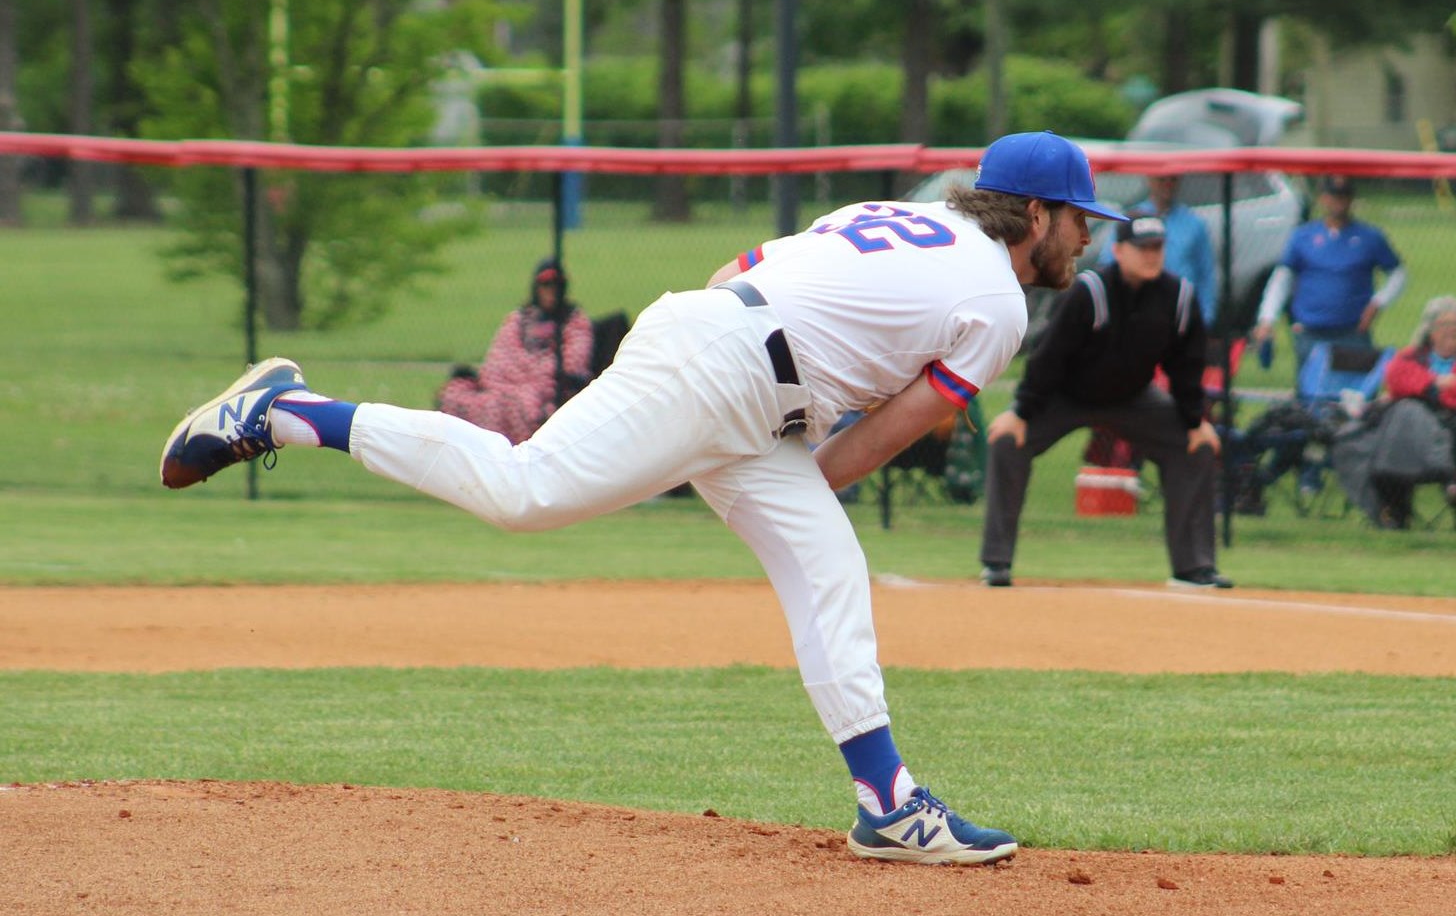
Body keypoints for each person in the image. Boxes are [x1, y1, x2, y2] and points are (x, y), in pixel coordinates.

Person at [157, 130, 1127, 866]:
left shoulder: (886, 215)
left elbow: (728, 273)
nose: (1088, 239)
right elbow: (889, 432)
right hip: (733, 381)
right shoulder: (999, 303)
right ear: (1034, 216)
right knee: (524, 490)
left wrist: (764, 450)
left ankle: (889, 803)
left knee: (831, 566)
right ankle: (286, 411)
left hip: (730, 360)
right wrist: (781, 460)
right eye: (1084, 219)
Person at [978, 214, 1232, 590]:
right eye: (1142, 248)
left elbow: (1186, 367)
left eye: (1157, 248)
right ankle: (996, 564)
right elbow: (1049, 356)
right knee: (1006, 440)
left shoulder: (1177, 297)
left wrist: (1195, 422)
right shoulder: (1091, 291)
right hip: (1067, 395)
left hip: (1132, 398)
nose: (1151, 255)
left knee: (1195, 447)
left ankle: (1194, 568)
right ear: (1118, 251)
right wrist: (1022, 412)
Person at [1252, 175, 1407, 377]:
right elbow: (1282, 279)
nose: (1338, 202)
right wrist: (1267, 319)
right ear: (1323, 198)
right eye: (1333, 196)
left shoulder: (1370, 237)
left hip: (1352, 331)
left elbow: (1398, 273)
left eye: (1344, 196)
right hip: (1311, 331)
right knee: (1311, 394)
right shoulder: (1303, 237)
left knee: (1353, 393)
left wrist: (1377, 303)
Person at [1376, 295, 1456, 532]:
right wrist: (1435, 385)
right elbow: (1396, 378)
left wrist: (1431, 395)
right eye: (1443, 325)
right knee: (1401, 428)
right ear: (1429, 330)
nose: (1452, 331)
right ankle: (1442, 492)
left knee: (1448, 431)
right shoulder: (1410, 356)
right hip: (1416, 435)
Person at [436, 256, 596, 445]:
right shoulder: (519, 319)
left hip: (542, 391)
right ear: (536, 287)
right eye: (545, 285)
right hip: (502, 385)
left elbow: (573, 362)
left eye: (556, 285)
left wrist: (534, 372)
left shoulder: (573, 321)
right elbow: (501, 356)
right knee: (456, 394)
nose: (551, 291)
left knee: (518, 404)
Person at [1098, 172, 1218, 325]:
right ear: (1149, 179)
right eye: (1161, 178)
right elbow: (1108, 264)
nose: (1167, 184)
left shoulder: (1194, 223)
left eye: (1173, 178)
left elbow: (1206, 274)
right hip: (1136, 310)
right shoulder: (1132, 219)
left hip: (1180, 313)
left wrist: (1205, 319)